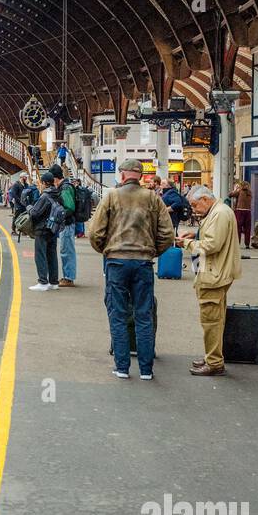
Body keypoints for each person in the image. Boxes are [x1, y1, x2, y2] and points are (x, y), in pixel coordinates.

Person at [88, 157, 174, 380]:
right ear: (140, 176)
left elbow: (95, 232)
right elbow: (167, 233)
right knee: (143, 315)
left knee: (118, 314)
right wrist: (152, 251)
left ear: (123, 175)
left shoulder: (112, 197)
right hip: (143, 263)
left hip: (116, 262)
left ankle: (122, 367)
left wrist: (106, 250)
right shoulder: (153, 198)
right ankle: (146, 370)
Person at [177, 184, 240, 376]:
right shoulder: (217, 211)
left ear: (205, 199)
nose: (194, 210)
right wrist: (195, 235)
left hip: (214, 273)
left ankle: (214, 362)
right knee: (215, 318)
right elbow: (211, 237)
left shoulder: (219, 213)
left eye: (195, 205)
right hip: (214, 270)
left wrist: (188, 243)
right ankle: (213, 356)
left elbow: (212, 244)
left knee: (211, 319)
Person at [27, 170, 65, 291]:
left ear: (44, 183)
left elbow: (34, 213)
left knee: (40, 255)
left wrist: (28, 207)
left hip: (42, 229)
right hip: (53, 229)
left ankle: (43, 282)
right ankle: (54, 282)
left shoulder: (45, 196)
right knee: (52, 255)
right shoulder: (58, 194)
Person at [49, 163, 77, 287]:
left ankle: (68, 278)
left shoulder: (65, 188)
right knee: (66, 250)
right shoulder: (65, 187)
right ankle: (68, 276)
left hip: (67, 224)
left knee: (66, 251)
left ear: (55, 178)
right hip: (66, 224)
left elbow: (69, 207)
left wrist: (58, 215)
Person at [230, 179, 252, 249]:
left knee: (238, 228)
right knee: (247, 228)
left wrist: (236, 189)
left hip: (240, 211)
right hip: (248, 211)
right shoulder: (250, 192)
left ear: (241, 186)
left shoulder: (240, 191)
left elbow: (230, 195)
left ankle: (237, 243)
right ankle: (247, 244)